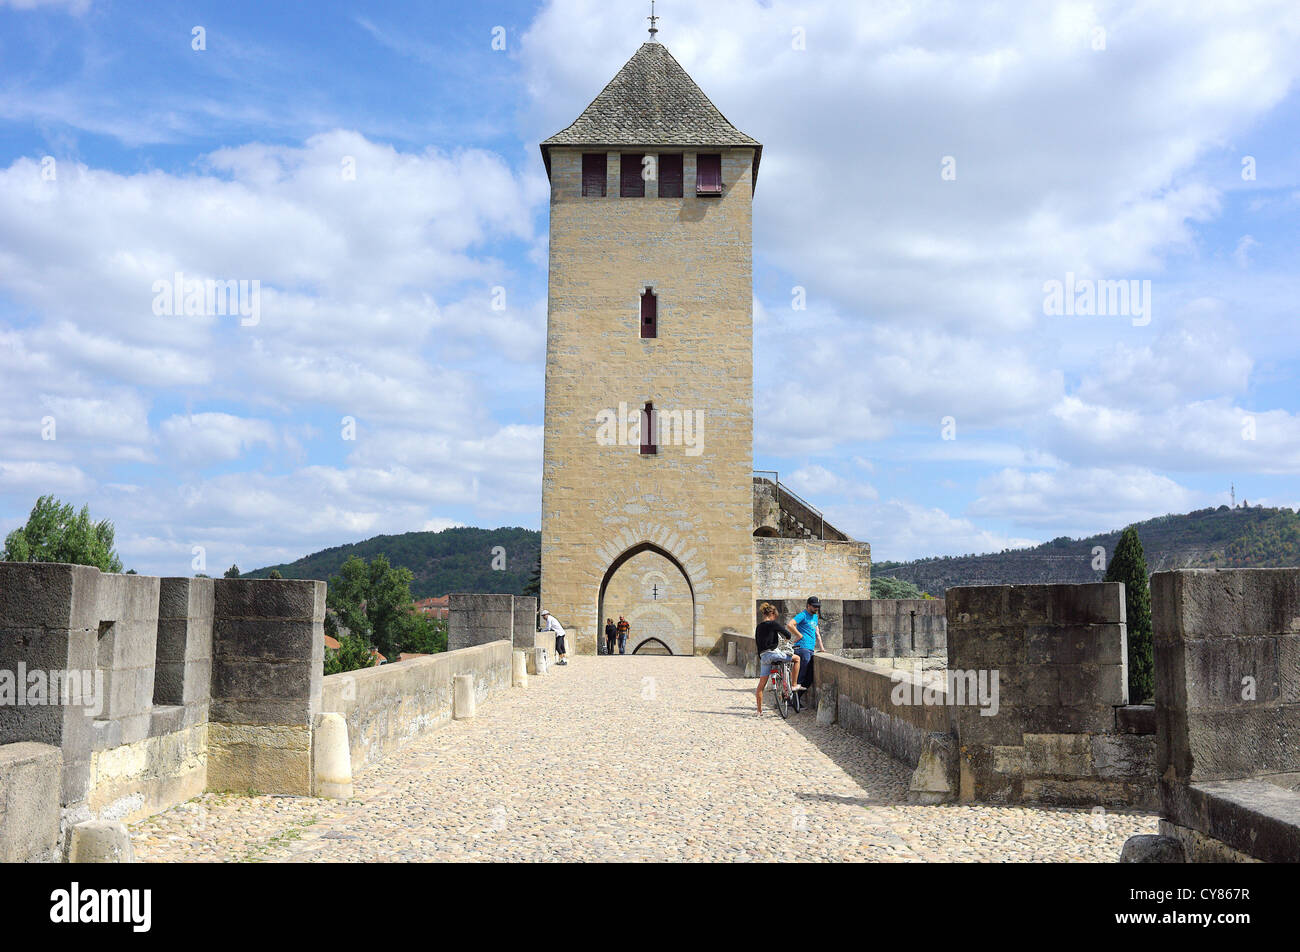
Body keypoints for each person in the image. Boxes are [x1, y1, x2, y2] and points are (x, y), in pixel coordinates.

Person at [754, 602, 803, 715]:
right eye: (774, 616)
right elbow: (788, 634)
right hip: (774, 654)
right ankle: (794, 685)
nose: (774, 618)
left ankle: (759, 711)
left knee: (761, 685)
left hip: (763, 657)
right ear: (771, 614)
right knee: (797, 659)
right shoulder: (772, 624)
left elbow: (758, 643)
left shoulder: (758, 627)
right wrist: (786, 641)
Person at [786, 595, 824, 692]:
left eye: (818, 606)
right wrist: (799, 635)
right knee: (802, 675)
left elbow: (817, 632)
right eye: (814, 606)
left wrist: (821, 647)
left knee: (808, 677)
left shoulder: (815, 617)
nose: (816, 608)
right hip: (802, 648)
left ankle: (795, 699)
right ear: (808, 605)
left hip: (810, 648)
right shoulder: (803, 615)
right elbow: (790, 625)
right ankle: (794, 698)